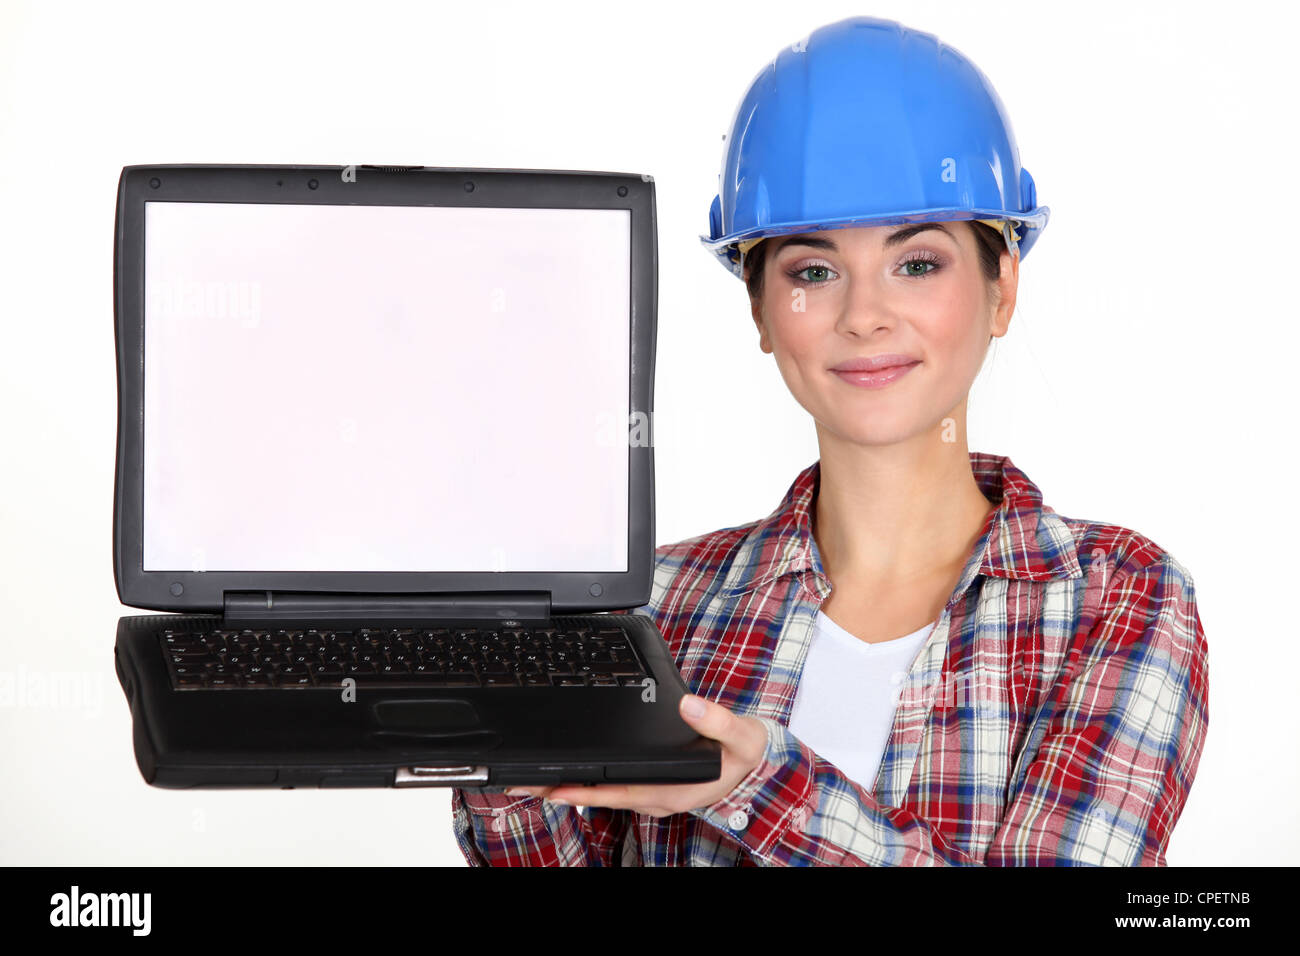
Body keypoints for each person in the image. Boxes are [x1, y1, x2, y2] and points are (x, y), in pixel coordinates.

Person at [450, 15, 1209, 866]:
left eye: (917, 262)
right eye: (813, 271)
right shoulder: (654, 607)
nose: (863, 315)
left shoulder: (1119, 600)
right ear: (761, 311)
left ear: (1002, 289)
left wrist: (755, 787)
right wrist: (496, 695)